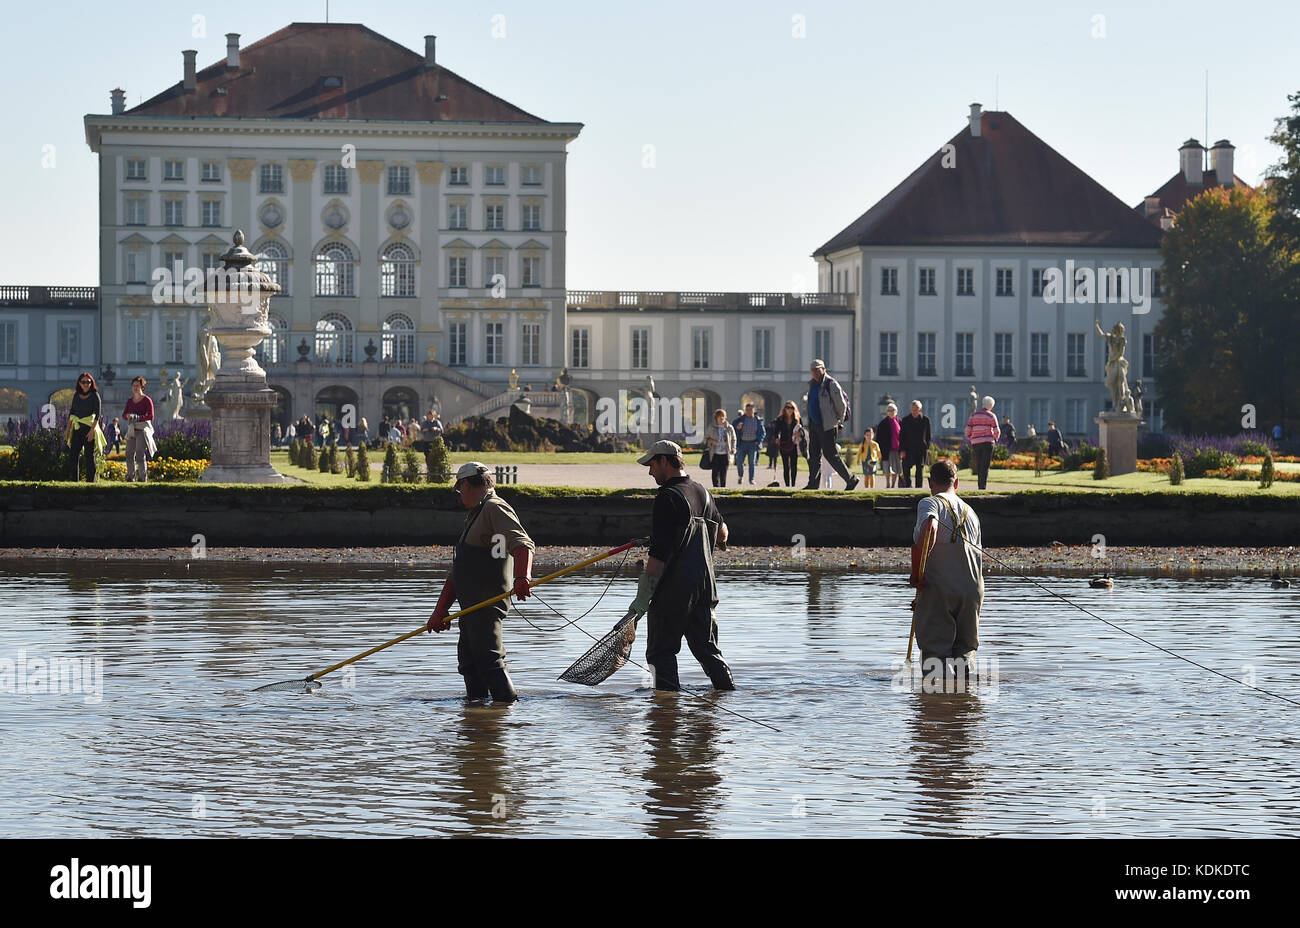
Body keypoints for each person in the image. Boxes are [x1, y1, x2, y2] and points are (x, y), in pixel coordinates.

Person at [630, 439, 735, 692]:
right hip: (705, 588)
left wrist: (641, 600)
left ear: (665, 461)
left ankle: (665, 714)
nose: (650, 471)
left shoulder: (667, 497)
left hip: (673, 591)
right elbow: (723, 533)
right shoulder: (703, 492)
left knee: (660, 653)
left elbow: (658, 557)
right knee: (708, 651)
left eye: (652, 464)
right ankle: (728, 695)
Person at [426, 462, 535, 703]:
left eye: (460, 489)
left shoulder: (495, 508)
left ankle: (507, 711)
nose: (460, 494)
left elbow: (523, 545)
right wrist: (440, 609)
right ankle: (477, 718)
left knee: (489, 661)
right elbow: (458, 572)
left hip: (486, 606)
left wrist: (522, 577)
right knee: (469, 664)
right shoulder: (476, 514)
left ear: (466, 484)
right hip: (470, 608)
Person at [909, 459, 984, 682]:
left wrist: (917, 575)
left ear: (930, 482)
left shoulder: (929, 503)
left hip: (940, 587)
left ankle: (937, 709)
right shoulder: (972, 513)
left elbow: (929, 527)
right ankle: (963, 707)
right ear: (957, 483)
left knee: (935, 655)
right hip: (972, 590)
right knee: (965, 653)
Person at [804, 359, 859, 491]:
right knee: (814, 455)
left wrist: (838, 422)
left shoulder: (831, 384)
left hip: (827, 426)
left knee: (831, 455)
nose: (815, 372)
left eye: (817, 370)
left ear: (824, 369)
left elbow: (841, 405)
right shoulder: (812, 384)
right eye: (813, 370)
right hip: (814, 425)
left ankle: (851, 479)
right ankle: (813, 484)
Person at [66, 372, 103, 482]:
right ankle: (74, 481)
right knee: (73, 455)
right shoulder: (76, 395)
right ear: (79, 383)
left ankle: (91, 481)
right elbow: (72, 413)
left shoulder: (95, 396)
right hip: (77, 429)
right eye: (83, 382)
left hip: (89, 428)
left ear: (92, 383)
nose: (86, 384)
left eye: (88, 382)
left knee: (89, 456)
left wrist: (92, 431)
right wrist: (68, 431)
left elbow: (97, 415)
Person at [122, 376, 156, 482]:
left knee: (140, 453)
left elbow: (151, 416)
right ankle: (130, 477)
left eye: (138, 386)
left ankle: (142, 478)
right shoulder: (130, 401)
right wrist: (128, 416)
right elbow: (124, 415)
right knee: (129, 453)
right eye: (134, 386)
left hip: (142, 429)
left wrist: (138, 417)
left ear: (142, 387)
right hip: (132, 429)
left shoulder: (147, 400)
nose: (135, 388)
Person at [965, 396, 1001, 490]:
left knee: (979, 464)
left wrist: (970, 437)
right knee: (985, 465)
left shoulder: (974, 415)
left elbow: (968, 428)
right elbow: (996, 430)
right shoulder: (991, 416)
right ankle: (982, 486)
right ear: (991, 406)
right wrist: (995, 438)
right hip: (988, 442)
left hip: (976, 442)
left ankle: (980, 485)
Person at [898, 400, 932, 489]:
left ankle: (918, 488)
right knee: (906, 468)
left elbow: (928, 435)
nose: (914, 411)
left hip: (921, 449)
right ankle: (907, 486)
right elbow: (902, 436)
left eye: (916, 409)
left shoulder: (925, 420)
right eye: (913, 409)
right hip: (908, 448)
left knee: (919, 470)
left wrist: (927, 447)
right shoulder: (905, 420)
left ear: (920, 409)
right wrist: (902, 450)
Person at [773, 401, 806, 488]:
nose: (790, 409)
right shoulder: (780, 419)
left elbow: (803, 430)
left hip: (794, 444)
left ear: (794, 409)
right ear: (785, 409)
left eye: (792, 407)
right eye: (788, 407)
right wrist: (776, 438)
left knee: (794, 465)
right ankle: (787, 485)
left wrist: (800, 434)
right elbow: (776, 431)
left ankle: (793, 485)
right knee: (786, 466)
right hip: (783, 444)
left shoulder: (797, 418)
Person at [732, 403, 766, 487]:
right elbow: (733, 425)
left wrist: (759, 441)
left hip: (753, 444)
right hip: (742, 444)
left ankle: (751, 479)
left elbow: (763, 432)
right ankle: (740, 476)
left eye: (750, 410)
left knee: (752, 462)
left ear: (754, 410)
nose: (748, 411)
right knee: (739, 461)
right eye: (747, 410)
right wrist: (737, 427)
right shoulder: (741, 419)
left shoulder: (758, 420)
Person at [705, 408, 736, 488]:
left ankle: (723, 489)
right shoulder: (711, 427)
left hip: (726, 454)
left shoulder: (729, 427)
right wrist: (711, 442)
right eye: (719, 416)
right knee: (715, 473)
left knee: (723, 473)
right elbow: (706, 439)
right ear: (716, 417)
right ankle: (716, 488)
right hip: (715, 453)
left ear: (725, 417)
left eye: (723, 416)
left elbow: (733, 439)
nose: (721, 418)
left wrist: (733, 449)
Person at [874, 403, 902, 489]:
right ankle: (887, 483)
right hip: (886, 449)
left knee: (895, 468)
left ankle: (893, 484)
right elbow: (878, 438)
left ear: (896, 411)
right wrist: (880, 450)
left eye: (893, 410)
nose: (891, 412)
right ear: (887, 412)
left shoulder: (900, 422)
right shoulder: (883, 423)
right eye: (889, 410)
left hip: (897, 449)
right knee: (887, 467)